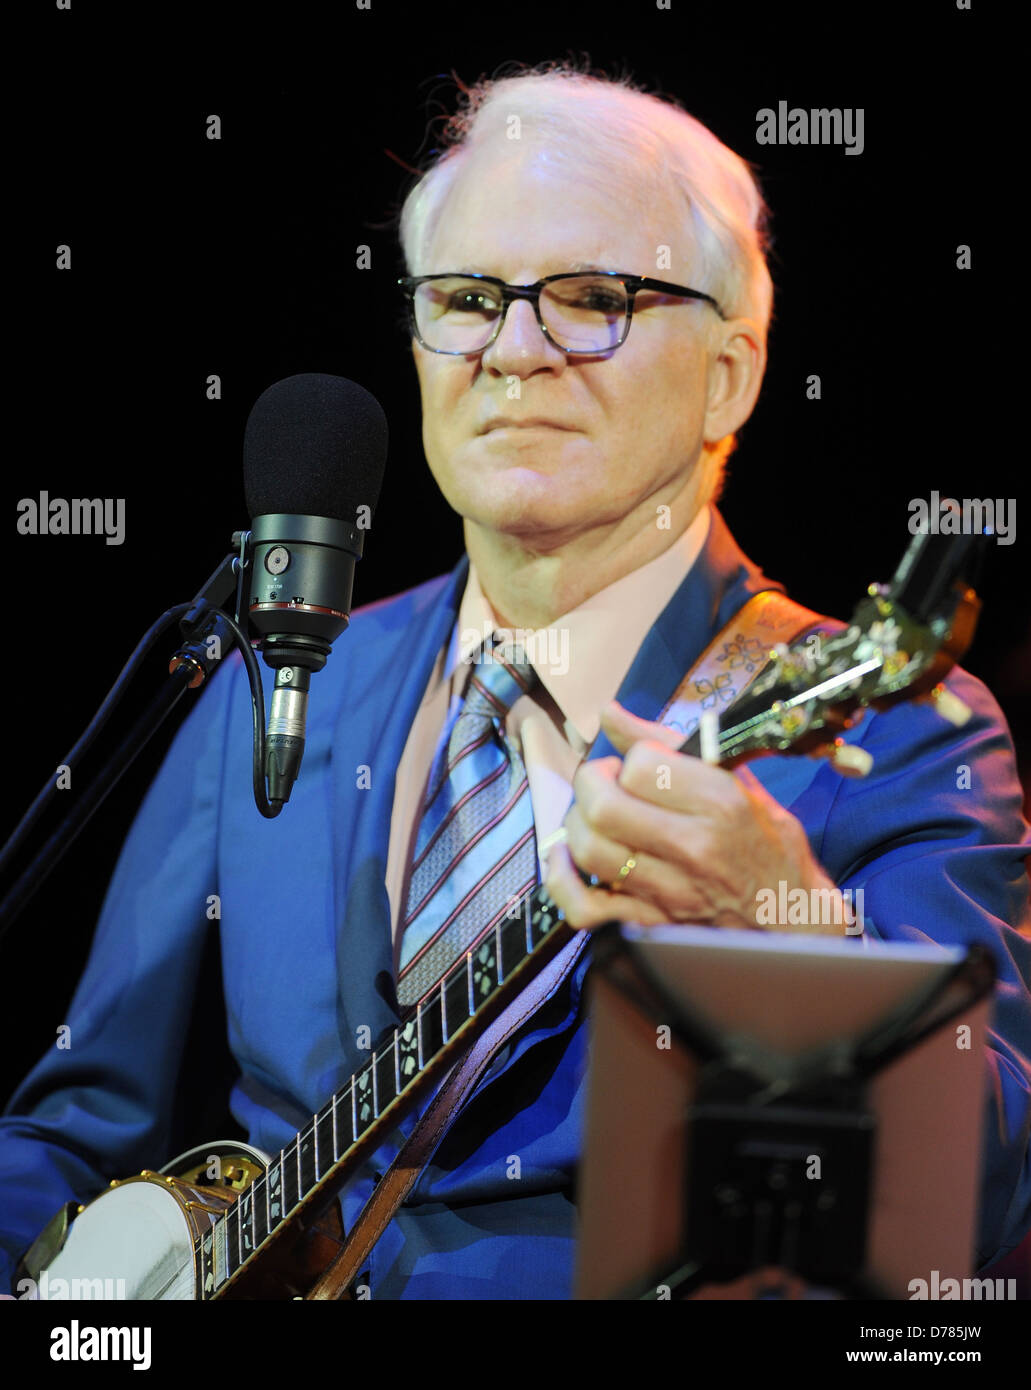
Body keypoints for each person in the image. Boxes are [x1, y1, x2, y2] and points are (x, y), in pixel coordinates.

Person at [2, 62, 1029, 1300]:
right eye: (467, 298)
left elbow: (974, 1195)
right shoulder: (275, 686)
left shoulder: (900, 728)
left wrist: (784, 938)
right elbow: (69, 1128)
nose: (512, 351)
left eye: (592, 298)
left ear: (730, 373)